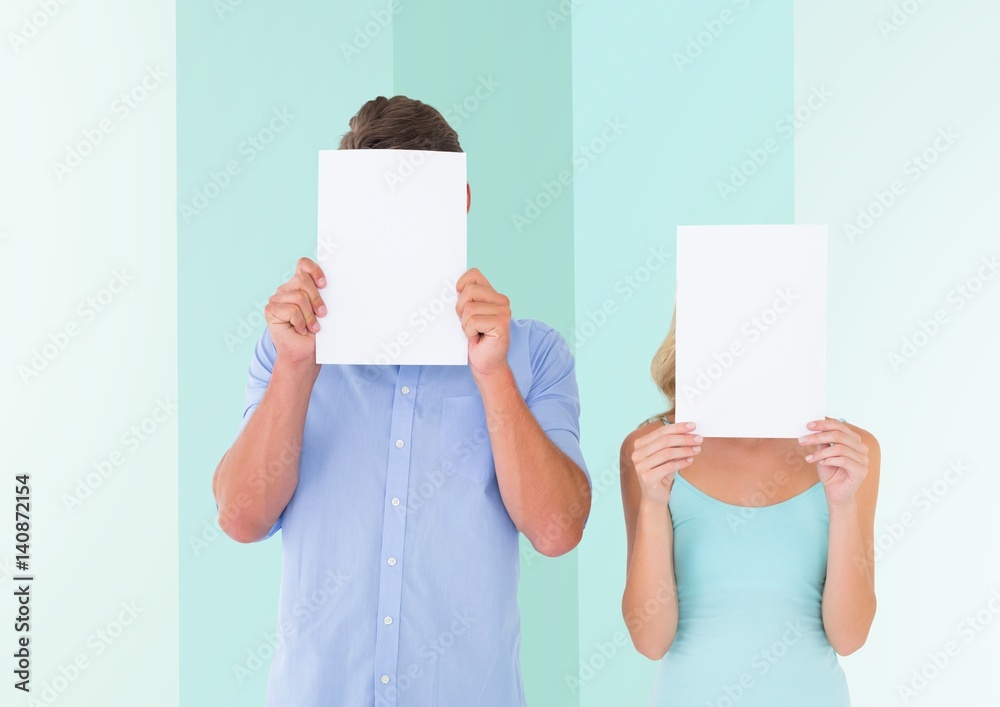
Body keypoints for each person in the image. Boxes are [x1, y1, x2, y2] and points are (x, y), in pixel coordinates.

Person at [212, 95, 592, 707]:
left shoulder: (534, 354)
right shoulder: (290, 350)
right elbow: (240, 518)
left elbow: (556, 531)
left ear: (461, 203)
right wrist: (294, 367)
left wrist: (493, 375)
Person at [619, 304, 880, 706]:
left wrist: (843, 507)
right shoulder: (653, 450)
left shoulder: (847, 451)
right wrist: (654, 505)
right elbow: (650, 640)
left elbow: (849, 637)